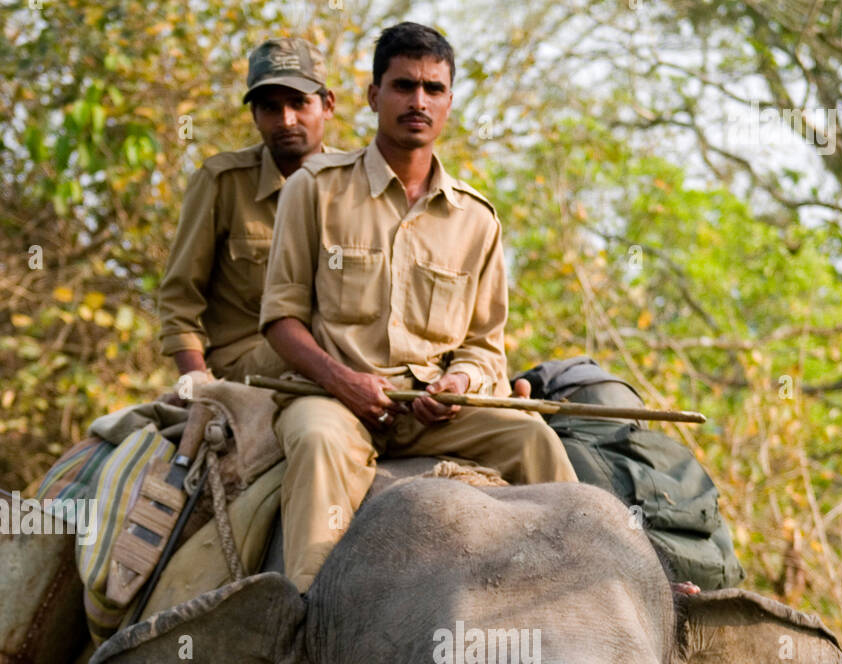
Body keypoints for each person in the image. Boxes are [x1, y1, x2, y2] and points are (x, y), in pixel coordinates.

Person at [259, 21, 577, 593]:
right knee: (316, 443)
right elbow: (280, 319)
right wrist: (344, 381)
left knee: (533, 437)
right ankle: (302, 614)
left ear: (450, 101)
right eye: (404, 86)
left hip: (432, 413)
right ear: (373, 94)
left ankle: (592, 577)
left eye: (434, 89)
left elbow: (484, 345)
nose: (418, 101)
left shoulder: (476, 219)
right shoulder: (315, 188)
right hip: (335, 405)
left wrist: (459, 384)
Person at [158, 37, 338, 390]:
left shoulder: (354, 185)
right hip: (251, 360)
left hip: (334, 352)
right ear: (254, 115)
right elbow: (180, 295)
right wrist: (195, 378)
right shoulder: (222, 182)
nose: (286, 120)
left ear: (327, 105)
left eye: (299, 103)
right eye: (270, 108)